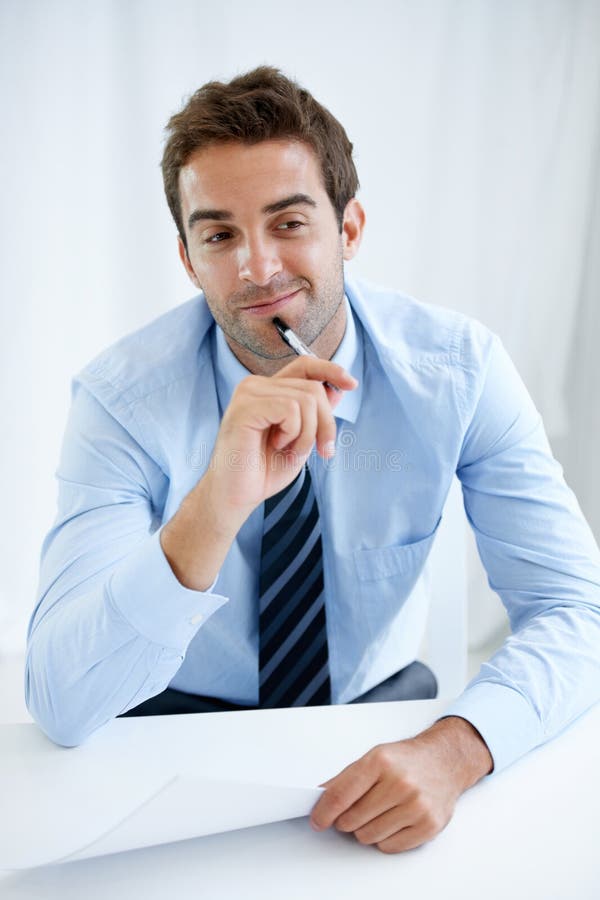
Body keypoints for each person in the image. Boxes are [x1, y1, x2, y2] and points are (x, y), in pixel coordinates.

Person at [26, 66, 600, 854]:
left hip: (375, 712)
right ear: (190, 260)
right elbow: (59, 699)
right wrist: (214, 503)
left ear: (350, 229)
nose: (256, 268)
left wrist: (458, 747)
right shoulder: (119, 401)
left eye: (289, 223)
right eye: (220, 235)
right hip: (169, 726)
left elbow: (579, 611)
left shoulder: (459, 372)